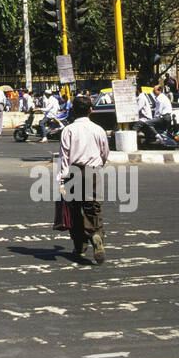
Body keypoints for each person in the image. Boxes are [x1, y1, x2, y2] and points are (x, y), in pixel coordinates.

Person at [58, 95, 110, 263]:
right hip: (93, 172)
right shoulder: (98, 129)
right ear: (90, 110)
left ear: (73, 111)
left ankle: (79, 247)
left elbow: (64, 157)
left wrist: (61, 180)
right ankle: (96, 234)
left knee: (75, 210)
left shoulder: (68, 130)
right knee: (93, 208)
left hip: (73, 172)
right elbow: (105, 153)